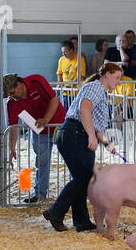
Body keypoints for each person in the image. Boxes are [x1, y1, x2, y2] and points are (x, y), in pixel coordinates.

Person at [43, 63, 123, 232]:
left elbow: (97, 125)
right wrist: (92, 136)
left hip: (77, 134)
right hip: (75, 133)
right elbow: (84, 109)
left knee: (82, 178)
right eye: (117, 77)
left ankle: (81, 221)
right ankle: (56, 212)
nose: (118, 81)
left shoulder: (100, 92)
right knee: (83, 178)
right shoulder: (95, 87)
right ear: (107, 74)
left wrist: (107, 143)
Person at [3, 71, 63, 205]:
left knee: (70, 158)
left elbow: (54, 99)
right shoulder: (11, 103)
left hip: (59, 124)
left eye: (12, 92)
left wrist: (46, 119)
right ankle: (40, 194)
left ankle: (78, 191)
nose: (12, 96)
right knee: (41, 162)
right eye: (9, 95)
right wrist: (12, 148)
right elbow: (13, 126)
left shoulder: (36, 80)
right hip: (39, 130)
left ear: (19, 84)